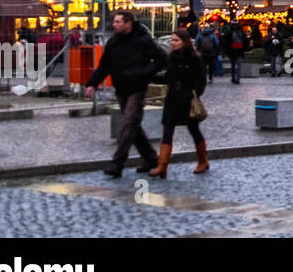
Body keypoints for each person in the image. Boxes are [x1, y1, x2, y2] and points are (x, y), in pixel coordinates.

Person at [84, 11, 167, 178]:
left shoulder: (143, 40)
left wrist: (145, 73)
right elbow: (104, 66)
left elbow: (161, 59)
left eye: (118, 22)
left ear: (128, 23)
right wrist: (92, 83)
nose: (114, 25)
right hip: (121, 88)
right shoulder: (113, 42)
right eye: (114, 22)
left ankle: (117, 162)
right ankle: (151, 159)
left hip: (137, 88)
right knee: (133, 126)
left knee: (129, 123)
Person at [148, 28, 209, 178]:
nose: (173, 43)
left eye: (176, 40)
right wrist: (148, 77)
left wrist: (193, 94)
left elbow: (201, 81)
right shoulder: (171, 57)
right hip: (172, 98)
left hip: (187, 99)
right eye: (172, 40)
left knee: (194, 130)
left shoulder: (195, 58)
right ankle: (162, 165)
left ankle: (203, 161)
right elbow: (168, 78)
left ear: (185, 42)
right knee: (167, 131)